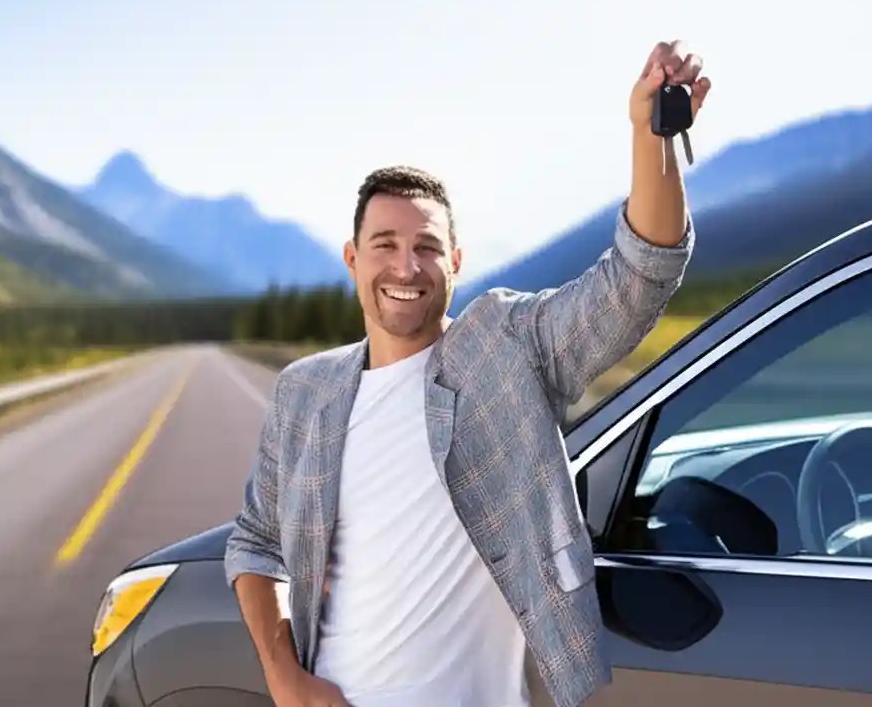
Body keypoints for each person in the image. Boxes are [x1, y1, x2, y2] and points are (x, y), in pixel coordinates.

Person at [225, 39, 710, 707]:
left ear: (455, 261)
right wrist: (287, 681)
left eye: (427, 247)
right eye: (385, 246)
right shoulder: (305, 392)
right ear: (351, 258)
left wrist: (648, 132)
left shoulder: (506, 351)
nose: (406, 267)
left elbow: (640, 276)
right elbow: (255, 543)